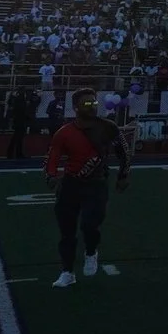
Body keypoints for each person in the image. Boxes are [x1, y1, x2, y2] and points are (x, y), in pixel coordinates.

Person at [44, 89, 131, 287]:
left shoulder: (108, 127)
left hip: (96, 184)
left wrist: (124, 175)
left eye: (94, 103)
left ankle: (91, 251)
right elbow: (53, 155)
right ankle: (67, 272)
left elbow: (124, 151)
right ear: (76, 107)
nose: (92, 107)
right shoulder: (64, 132)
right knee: (67, 232)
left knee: (90, 225)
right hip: (70, 185)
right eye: (87, 104)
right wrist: (50, 175)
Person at [4, 86, 35, 160]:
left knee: (17, 138)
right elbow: (21, 110)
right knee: (17, 137)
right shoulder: (20, 99)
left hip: (19, 120)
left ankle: (14, 153)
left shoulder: (17, 98)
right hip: (19, 120)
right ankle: (15, 153)